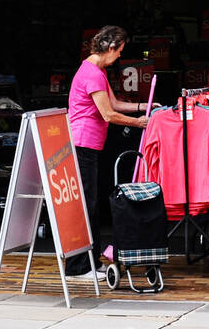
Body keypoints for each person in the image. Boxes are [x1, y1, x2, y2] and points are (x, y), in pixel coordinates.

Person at [65, 25, 152, 280]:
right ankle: (78, 267)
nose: (120, 57)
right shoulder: (91, 73)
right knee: (86, 205)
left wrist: (142, 106)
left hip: (90, 145)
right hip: (82, 144)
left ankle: (89, 261)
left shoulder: (96, 70)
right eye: (120, 52)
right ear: (110, 47)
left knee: (91, 203)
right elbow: (108, 114)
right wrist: (139, 122)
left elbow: (113, 103)